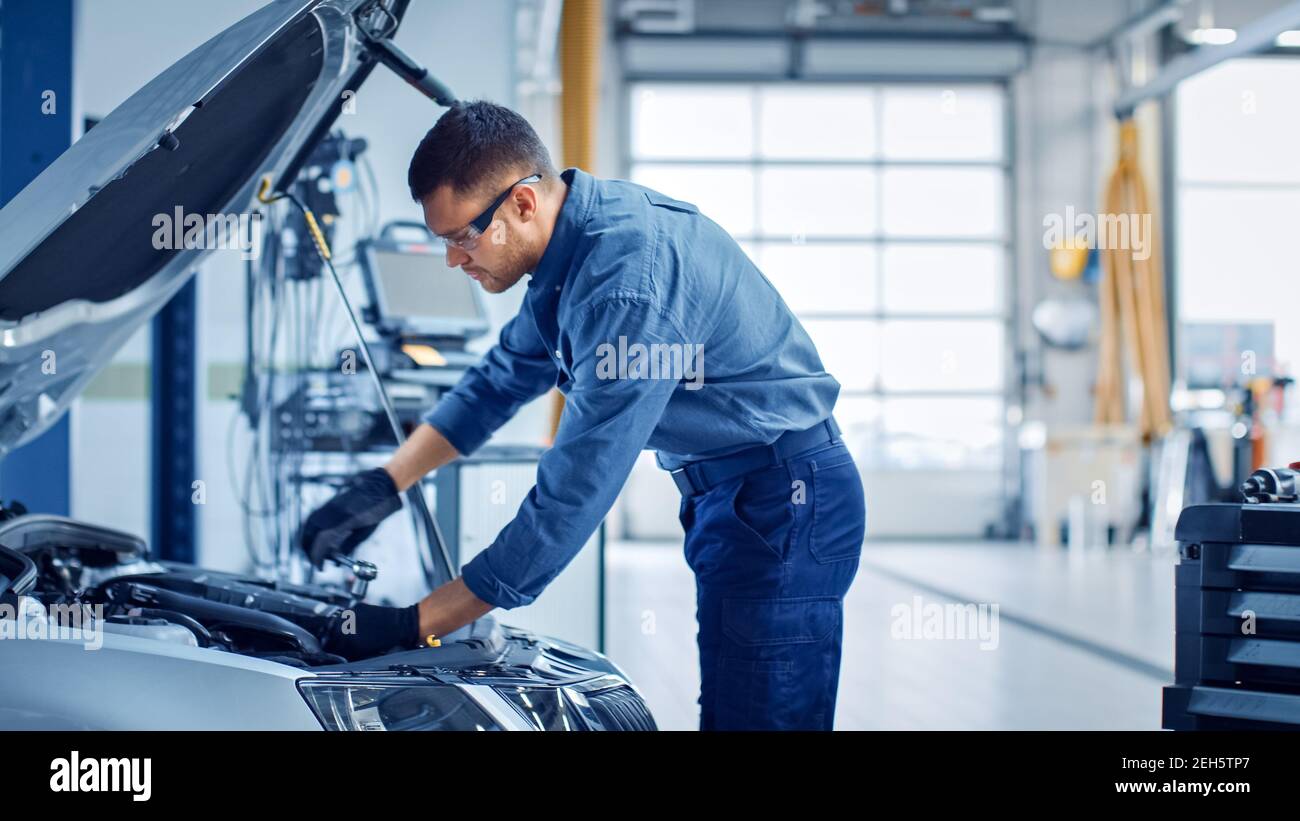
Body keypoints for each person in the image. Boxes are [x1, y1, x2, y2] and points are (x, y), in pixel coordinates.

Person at [299, 100, 865, 730]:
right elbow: (497, 382)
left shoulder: (627, 283)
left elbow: (575, 490)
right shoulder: (568, 256)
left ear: (521, 203)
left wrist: (418, 623)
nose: (454, 260)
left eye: (463, 236)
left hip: (784, 499)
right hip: (735, 497)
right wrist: (381, 485)